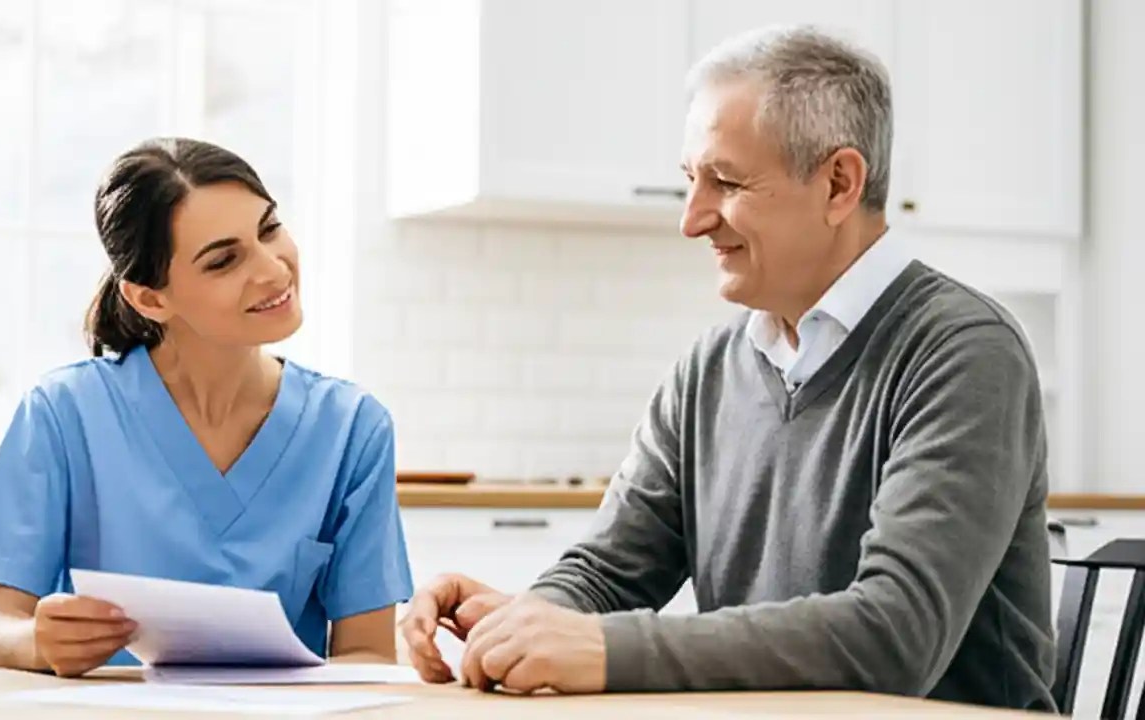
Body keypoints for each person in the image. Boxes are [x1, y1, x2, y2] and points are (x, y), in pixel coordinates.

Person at [401, 26, 1055, 710]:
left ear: (839, 183)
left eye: (727, 181)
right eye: (691, 180)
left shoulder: (964, 351)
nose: (691, 220)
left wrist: (605, 649)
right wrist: (523, 623)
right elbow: (608, 571)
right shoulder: (709, 371)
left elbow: (894, 636)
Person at [0, 138, 412, 677]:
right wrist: (34, 643)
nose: (273, 269)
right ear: (150, 298)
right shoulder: (63, 413)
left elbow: (368, 656)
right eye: (223, 260)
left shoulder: (352, 428)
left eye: (269, 229)